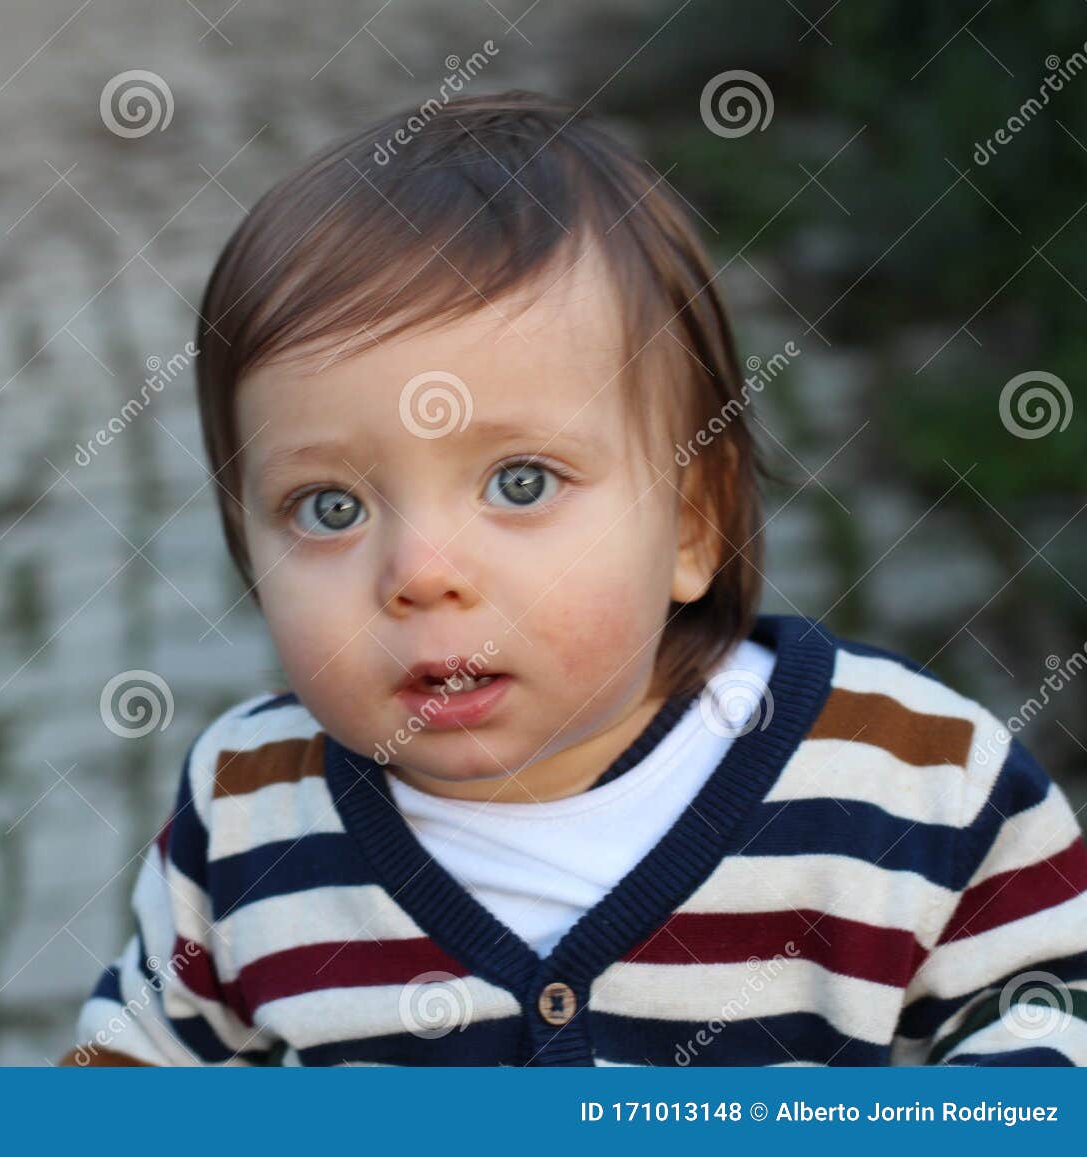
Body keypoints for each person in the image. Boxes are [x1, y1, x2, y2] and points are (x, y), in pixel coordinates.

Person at [62, 91, 1087, 1066]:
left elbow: (1049, 1009)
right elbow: (140, 1048)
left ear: (693, 519)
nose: (419, 574)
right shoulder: (252, 815)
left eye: (519, 481)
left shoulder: (903, 780)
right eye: (330, 507)